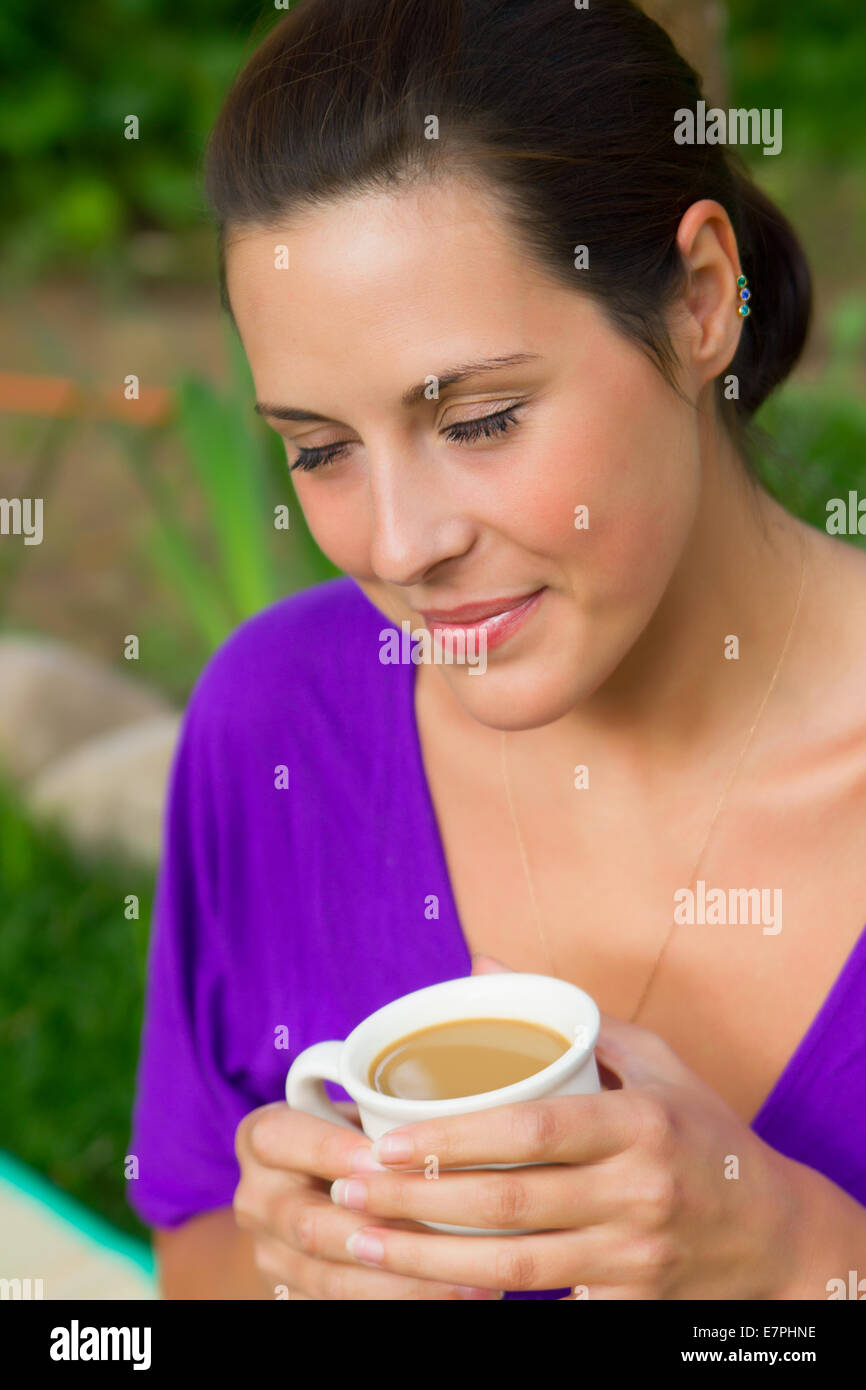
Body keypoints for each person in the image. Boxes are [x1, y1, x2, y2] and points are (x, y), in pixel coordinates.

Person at [128, 0, 866, 1300]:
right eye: (318, 449)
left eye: (477, 419)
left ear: (700, 302)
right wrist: (292, 1263)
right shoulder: (274, 723)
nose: (399, 548)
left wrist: (797, 1259)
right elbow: (193, 1251)